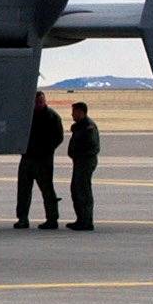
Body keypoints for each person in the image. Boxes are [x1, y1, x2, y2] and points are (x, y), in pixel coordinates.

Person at [14, 90, 63, 230]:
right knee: (23, 190)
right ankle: (22, 218)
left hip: (43, 160)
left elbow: (58, 137)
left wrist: (46, 150)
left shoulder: (52, 117)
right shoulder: (26, 116)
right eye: (36, 102)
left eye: (41, 102)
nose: (39, 104)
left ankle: (52, 219)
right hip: (27, 158)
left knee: (47, 190)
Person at [67, 101, 101, 231]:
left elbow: (92, 145)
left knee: (83, 190)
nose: (72, 115)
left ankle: (86, 221)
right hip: (79, 162)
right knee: (76, 190)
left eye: (74, 112)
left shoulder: (88, 127)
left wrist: (78, 152)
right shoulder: (80, 126)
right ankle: (81, 219)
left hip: (85, 162)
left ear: (81, 111)